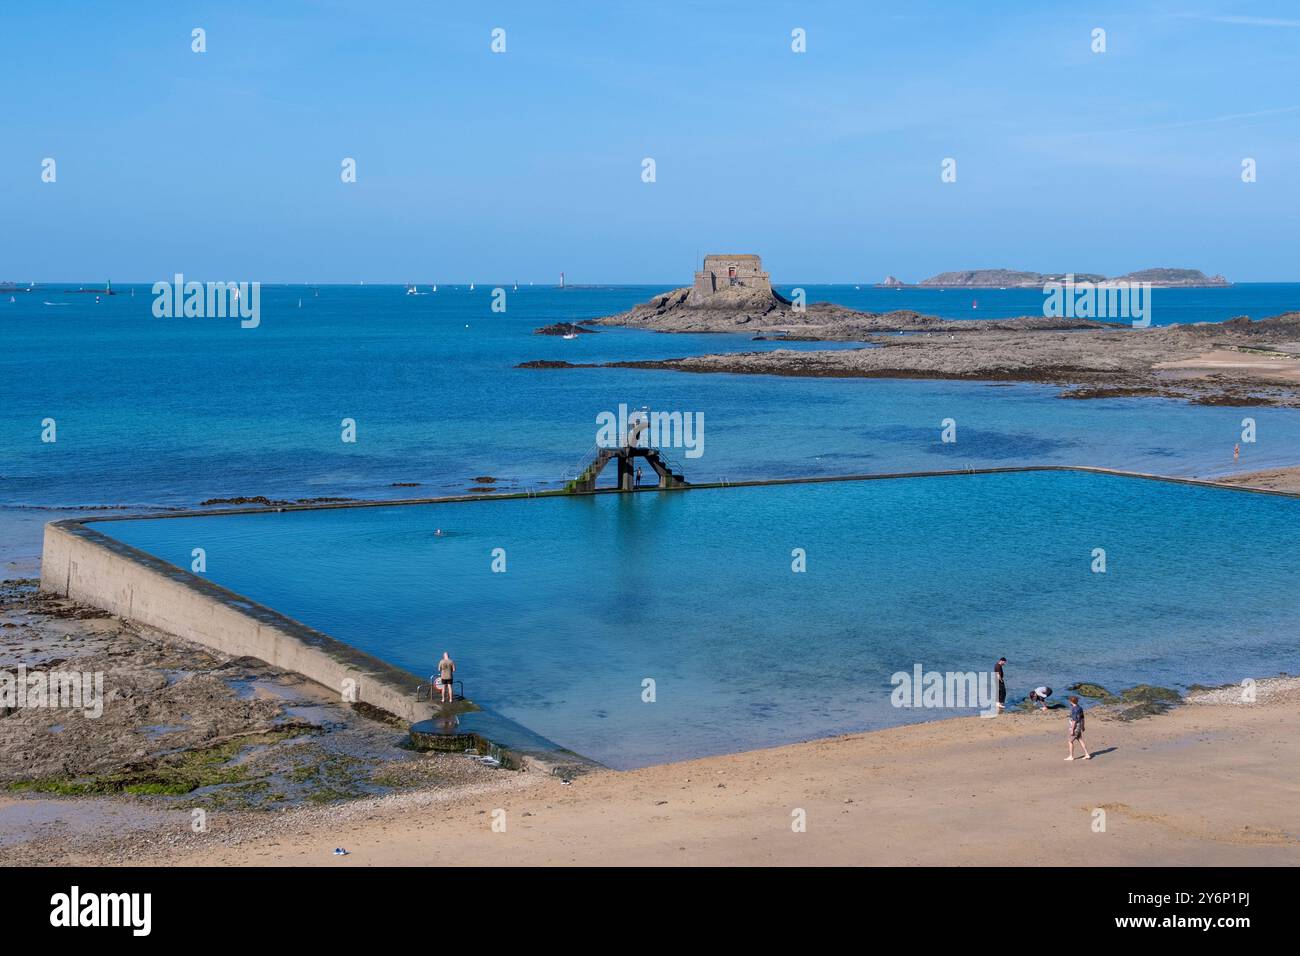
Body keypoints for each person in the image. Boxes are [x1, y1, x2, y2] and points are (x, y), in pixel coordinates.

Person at [1066, 695, 1091, 760]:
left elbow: (1074, 721)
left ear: (1071, 701)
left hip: (1075, 726)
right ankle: (1087, 754)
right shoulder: (1080, 708)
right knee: (1080, 739)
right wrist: (1083, 726)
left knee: (1070, 741)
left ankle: (1071, 756)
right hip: (1079, 725)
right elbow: (1082, 718)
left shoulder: (1074, 709)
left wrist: (1072, 729)